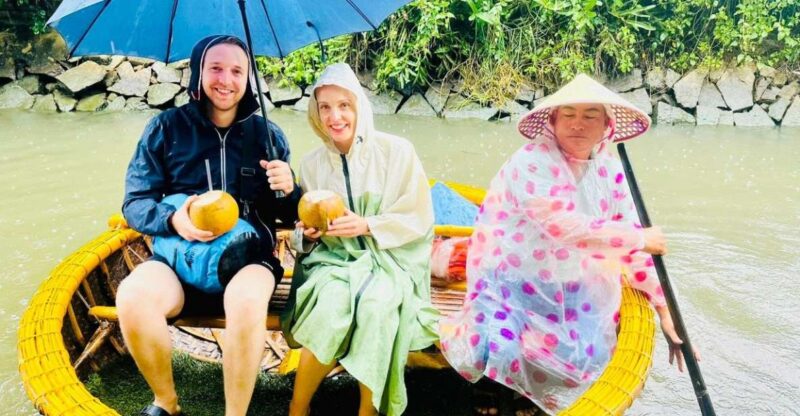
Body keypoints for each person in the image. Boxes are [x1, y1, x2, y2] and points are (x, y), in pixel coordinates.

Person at [438, 74, 699, 416]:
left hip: (571, 283)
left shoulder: (612, 173)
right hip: (511, 279)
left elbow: (633, 248)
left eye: (590, 115)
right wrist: (640, 238)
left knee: (587, 354)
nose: (578, 124)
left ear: (606, 124)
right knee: (497, 346)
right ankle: (490, 391)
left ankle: (524, 395)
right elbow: (564, 226)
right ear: (553, 120)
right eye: (569, 115)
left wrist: (666, 310)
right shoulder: (531, 161)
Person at [117, 35, 300, 416]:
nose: (226, 79)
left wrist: (290, 189)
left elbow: (287, 216)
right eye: (215, 68)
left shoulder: (268, 135)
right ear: (198, 74)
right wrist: (172, 218)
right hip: (177, 263)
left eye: (237, 70)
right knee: (132, 296)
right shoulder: (164, 129)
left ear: (248, 78)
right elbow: (135, 204)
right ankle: (166, 402)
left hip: (247, 263)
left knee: (248, 301)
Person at [282, 63, 439, 416]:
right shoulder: (311, 165)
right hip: (333, 264)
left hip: (391, 262)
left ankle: (366, 412)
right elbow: (300, 238)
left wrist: (367, 225)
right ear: (315, 112)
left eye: (344, 105)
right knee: (332, 305)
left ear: (359, 107)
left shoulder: (397, 152)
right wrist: (306, 234)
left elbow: (418, 217)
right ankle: (297, 407)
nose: (334, 117)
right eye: (325, 107)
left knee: (377, 306)